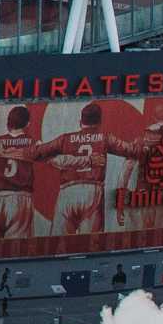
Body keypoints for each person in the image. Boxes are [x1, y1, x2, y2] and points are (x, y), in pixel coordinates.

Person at [37, 102, 115, 239]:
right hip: (93, 190)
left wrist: (47, 154)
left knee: (58, 243)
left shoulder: (65, 139)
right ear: (100, 122)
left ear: (80, 122)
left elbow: (37, 154)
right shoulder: (105, 137)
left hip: (68, 190)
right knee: (91, 244)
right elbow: (131, 150)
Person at [0, 105, 48, 243]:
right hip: (20, 199)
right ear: (27, 124)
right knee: (15, 250)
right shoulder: (33, 143)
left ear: (8, 123)